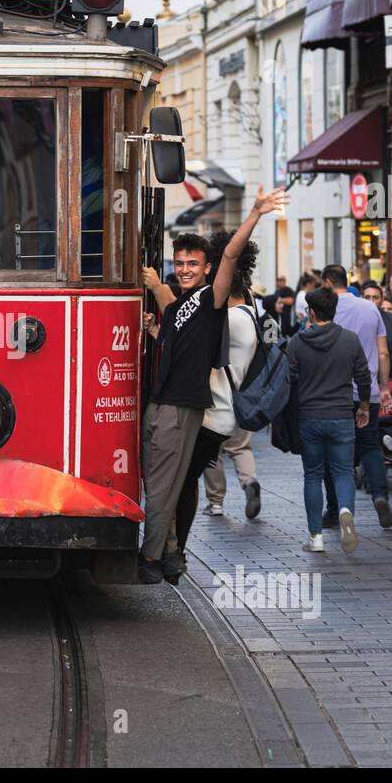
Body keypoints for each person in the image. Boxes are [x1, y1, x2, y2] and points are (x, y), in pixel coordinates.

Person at [138, 186, 288, 584]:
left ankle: (159, 558)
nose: (185, 268)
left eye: (193, 263)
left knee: (169, 488)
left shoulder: (211, 300)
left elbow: (231, 255)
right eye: (180, 262)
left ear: (208, 268)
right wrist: (155, 326)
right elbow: (177, 337)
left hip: (192, 409)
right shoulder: (183, 305)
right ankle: (170, 553)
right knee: (167, 485)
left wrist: (255, 213)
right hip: (164, 402)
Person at [287, 287, 371, 553]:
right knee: (343, 472)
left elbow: (288, 379)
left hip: (310, 417)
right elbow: (363, 377)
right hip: (341, 416)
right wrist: (364, 408)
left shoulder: (297, 343)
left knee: (312, 475)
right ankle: (345, 509)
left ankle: (316, 537)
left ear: (311, 312)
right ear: (334, 310)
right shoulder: (350, 340)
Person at [318, 264, 392, 530]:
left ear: (327, 282)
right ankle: (380, 496)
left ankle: (333, 510)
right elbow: (383, 352)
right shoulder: (370, 307)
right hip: (368, 392)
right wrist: (384, 387)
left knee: (333, 454)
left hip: (334, 393)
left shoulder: (325, 310)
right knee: (370, 446)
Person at [201, 233, 263, 522]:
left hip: (218, 393)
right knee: (241, 445)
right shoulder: (252, 307)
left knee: (213, 449)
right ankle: (250, 483)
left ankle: (215, 502)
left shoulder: (223, 317)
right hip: (246, 392)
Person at [360, 282, 392, 384]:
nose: (371, 301)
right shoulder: (355, 319)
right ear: (361, 298)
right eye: (367, 297)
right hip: (361, 378)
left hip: (390, 378)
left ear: (382, 299)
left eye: (375, 297)